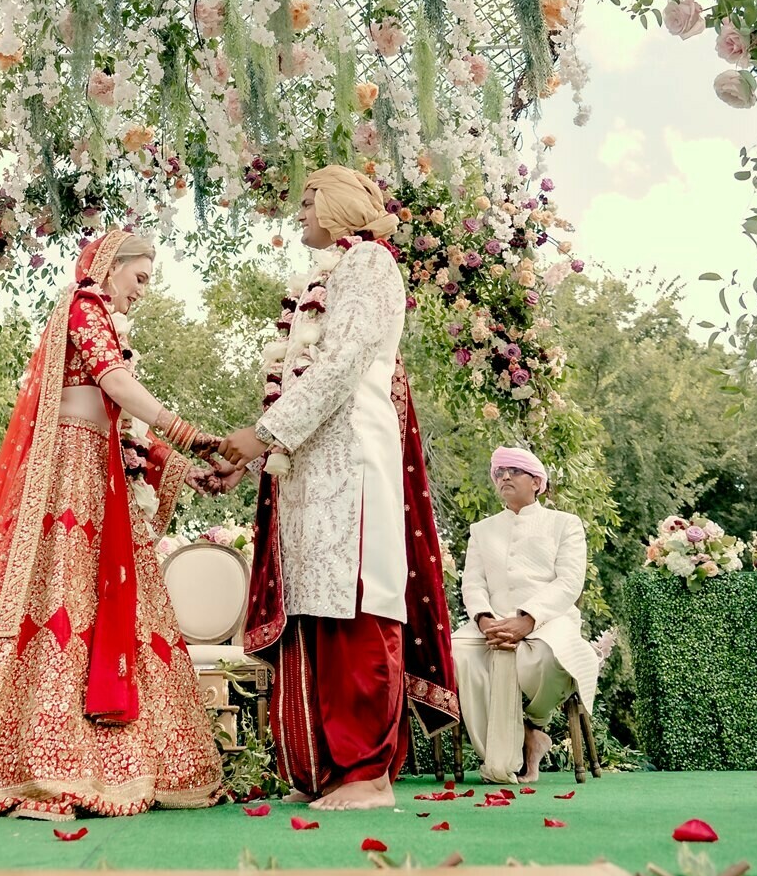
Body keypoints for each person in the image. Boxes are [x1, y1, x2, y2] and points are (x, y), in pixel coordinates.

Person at [0, 230, 223, 819]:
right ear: (109, 267)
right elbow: (113, 383)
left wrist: (185, 466)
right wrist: (189, 434)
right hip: (68, 473)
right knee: (56, 599)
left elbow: (122, 425)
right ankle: (13, 763)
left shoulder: (104, 318)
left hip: (99, 471)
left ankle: (93, 759)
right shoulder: (85, 304)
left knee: (92, 604)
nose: (142, 290)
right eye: (139, 277)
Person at [214, 166, 458, 811]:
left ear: (341, 205)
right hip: (309, 467)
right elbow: (304, 377)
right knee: (318, 610)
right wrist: (259, 451)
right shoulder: (328, 274)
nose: (300, 213)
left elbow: (345, 362)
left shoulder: (370, 263)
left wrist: (264, 434)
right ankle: (328, 767)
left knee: (357, 606)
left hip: (352, 464)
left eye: (308, 200)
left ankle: (368, 774)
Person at [451, 447, 600, 784]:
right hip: (491, 623)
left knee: (548, 656)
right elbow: (472, 583)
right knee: (457, 653)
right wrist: (485, 620)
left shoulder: (564, 524)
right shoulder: (482, 530)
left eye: (514, 471)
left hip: (549, 620)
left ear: (536, 482)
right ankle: (505, 752)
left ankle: (534, 725)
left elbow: (569, 582)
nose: (504, 476)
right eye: (499, 472)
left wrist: (528, 620)